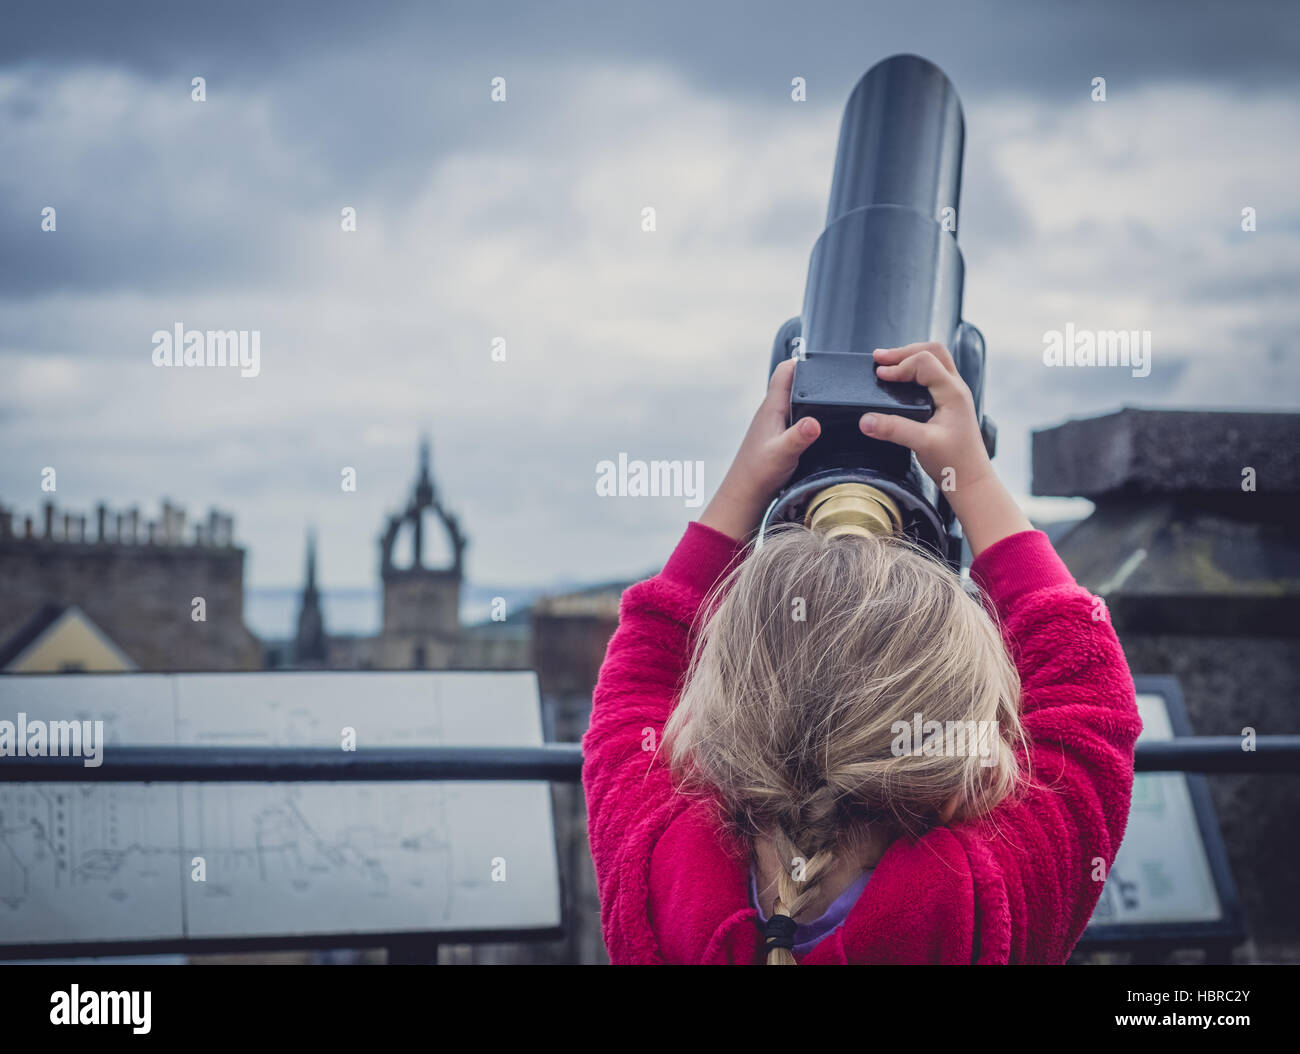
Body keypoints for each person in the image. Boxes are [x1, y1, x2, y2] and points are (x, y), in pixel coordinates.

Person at [582, 342, 1142, 964]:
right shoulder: (979, 906)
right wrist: (970, 478)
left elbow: (638, 683)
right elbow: (1088, 706)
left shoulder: (663, 886)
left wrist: (743, 487)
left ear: (713, 734)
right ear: (961, 775)